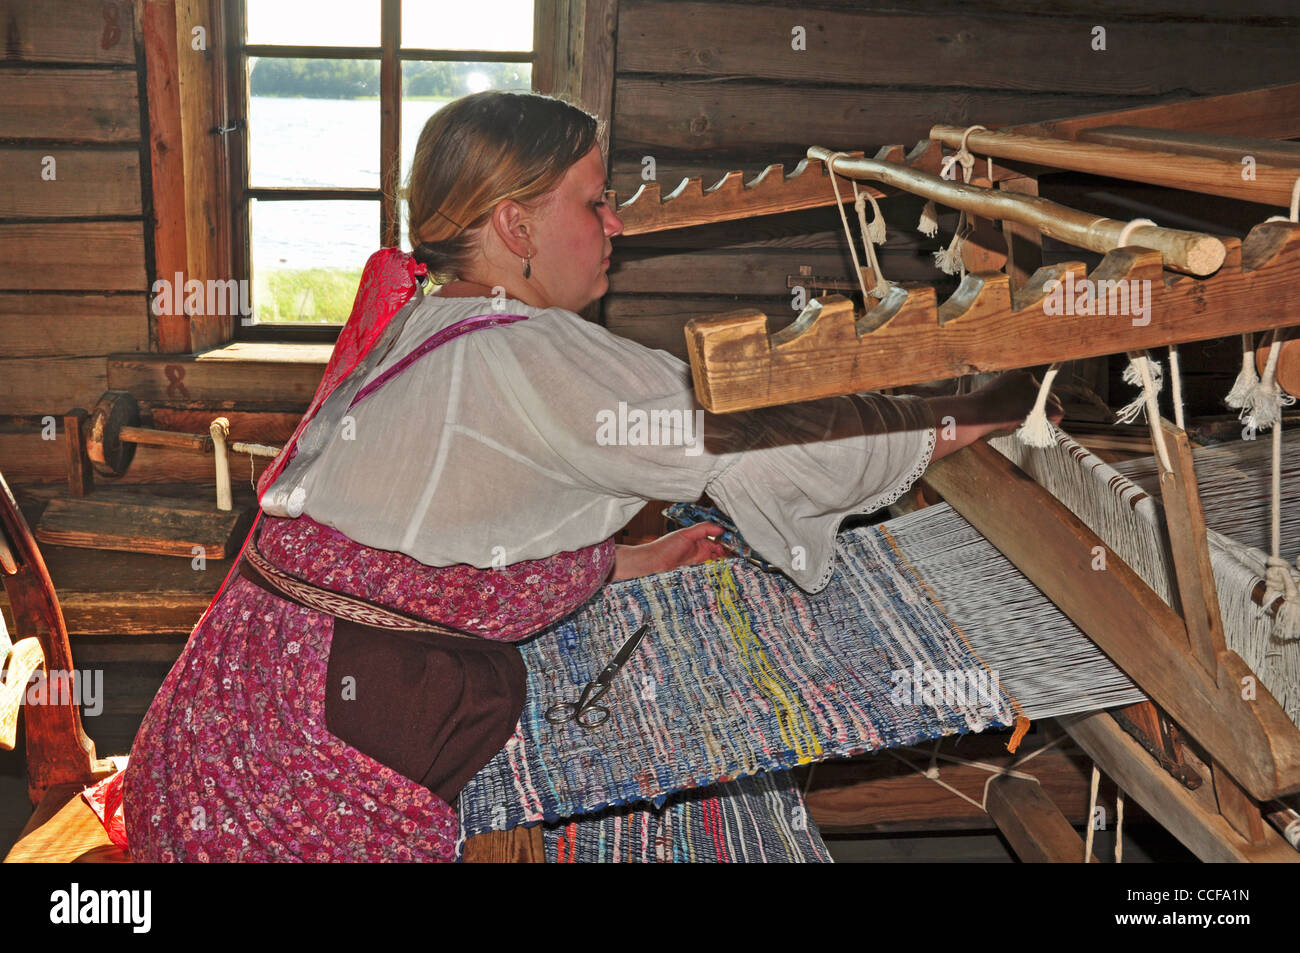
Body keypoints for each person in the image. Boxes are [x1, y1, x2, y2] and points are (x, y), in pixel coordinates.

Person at [118, 90, 1055, 862]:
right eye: (594, 202)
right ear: (514, 222)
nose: (617, 226)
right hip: (287, 784)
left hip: (220, 716)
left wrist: (620, 565)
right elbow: (777, 442)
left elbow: (443, 518)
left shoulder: (424, 312)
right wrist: (974, 413)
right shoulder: (524, 355)